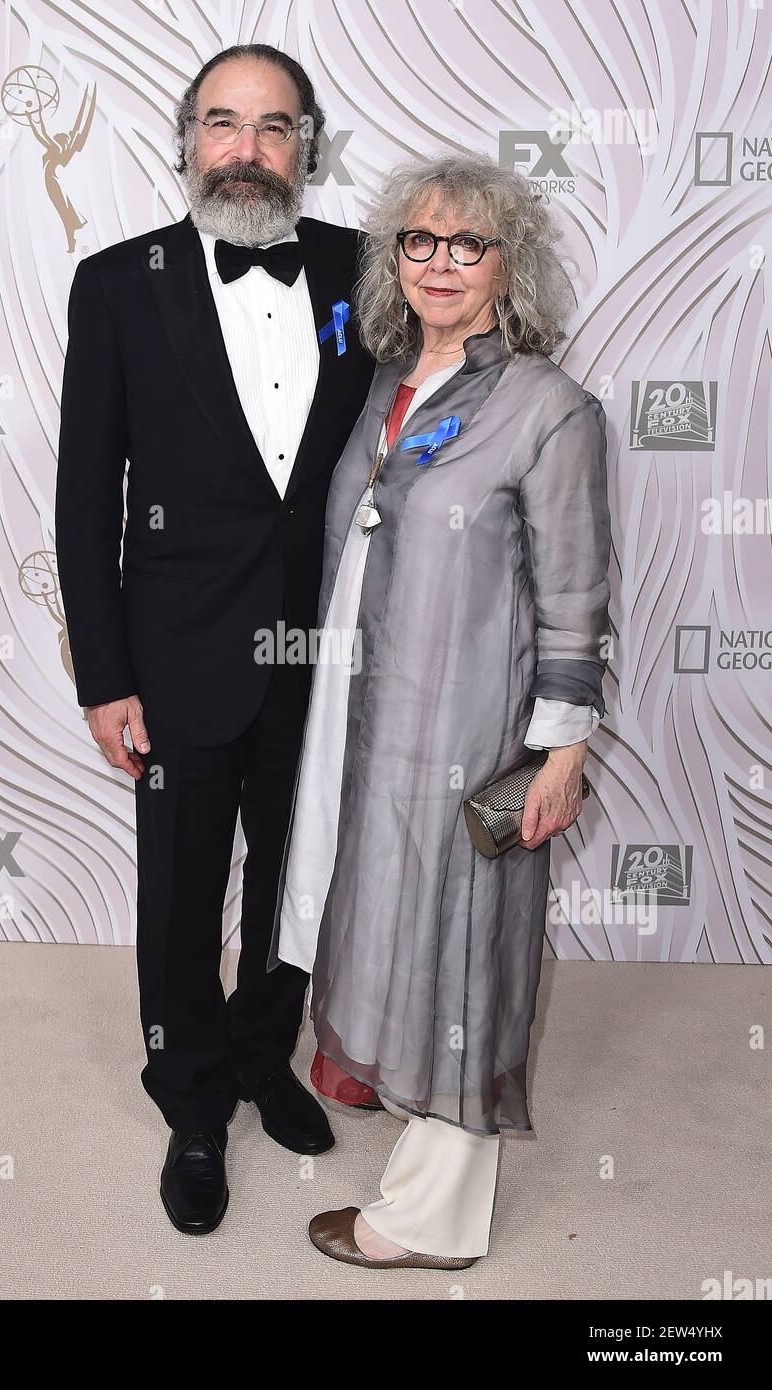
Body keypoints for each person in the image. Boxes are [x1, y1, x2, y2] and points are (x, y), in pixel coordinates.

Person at [268, 151, 612, 1269]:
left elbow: (573, 595)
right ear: (393, 258)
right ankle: (389, 1095)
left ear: (511, 266)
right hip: (368, 721)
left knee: (470, 956)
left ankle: (430, 1222)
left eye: (470, 243)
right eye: (420, 240)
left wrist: (559, 752)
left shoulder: (549, 410)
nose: (441, 263)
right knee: (391, 927)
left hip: (474, 733)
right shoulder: (382, 384)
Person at [54, 44, 375, 1235]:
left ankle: (258, 1056)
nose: (247, 149)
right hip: (177, 651)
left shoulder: (363, 268)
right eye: (223, 123)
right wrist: (107, 676)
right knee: (182, 893)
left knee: (296, 877)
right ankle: (191, 1101)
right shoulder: (116, 282)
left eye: (274, 126)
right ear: (185, 138)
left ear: (307, 144)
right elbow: (84, 494)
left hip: (321, 651)